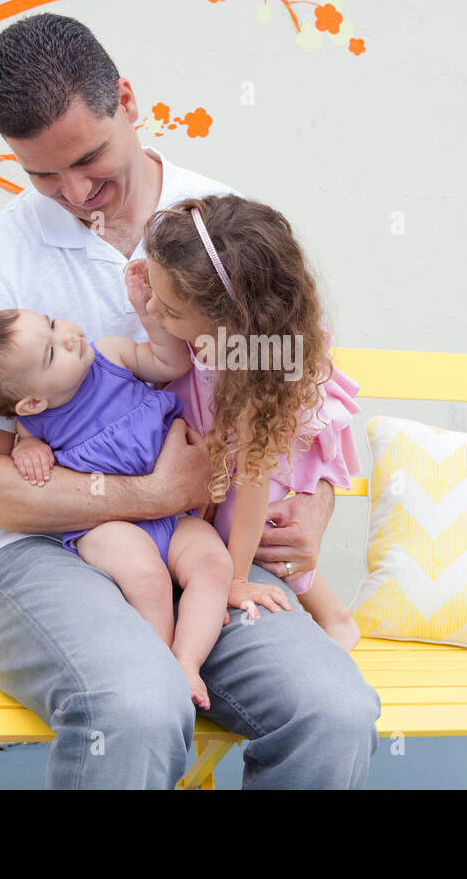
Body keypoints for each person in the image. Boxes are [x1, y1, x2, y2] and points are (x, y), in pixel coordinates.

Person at [0, 12, 380, 788]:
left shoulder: (222, 224)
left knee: (333, 713)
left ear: (128, 102)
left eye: (88, 158)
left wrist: (309, 513)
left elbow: (291, 400)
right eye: (41, 174)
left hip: (200, 545)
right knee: (136, 708)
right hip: (39, 553)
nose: (73, 193)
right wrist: (145, 492)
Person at [0, 282, 238, 709]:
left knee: (215, 565)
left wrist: (148, 316)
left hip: (177, 516)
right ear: (30, 402)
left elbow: (168, 363)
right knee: (148, 580)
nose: (67, 335)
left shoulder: (111, 355)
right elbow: (23, 454)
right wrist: (27, 449)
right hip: (109, 525)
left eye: (50, 324)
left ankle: (186, 662)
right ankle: (159, 672)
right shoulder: (37, 426)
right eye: (51, 352)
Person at [140, 194, 364, 651]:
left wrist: (236, 579)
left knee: (266, 535)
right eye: (153, 294)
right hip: (222, 464)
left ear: (227, 320)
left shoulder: (253, 370)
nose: (154, 312)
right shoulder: (210, 328)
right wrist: (155, 300)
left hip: (253, 478)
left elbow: (255, 487)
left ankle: (336, 618)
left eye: (171, 310)